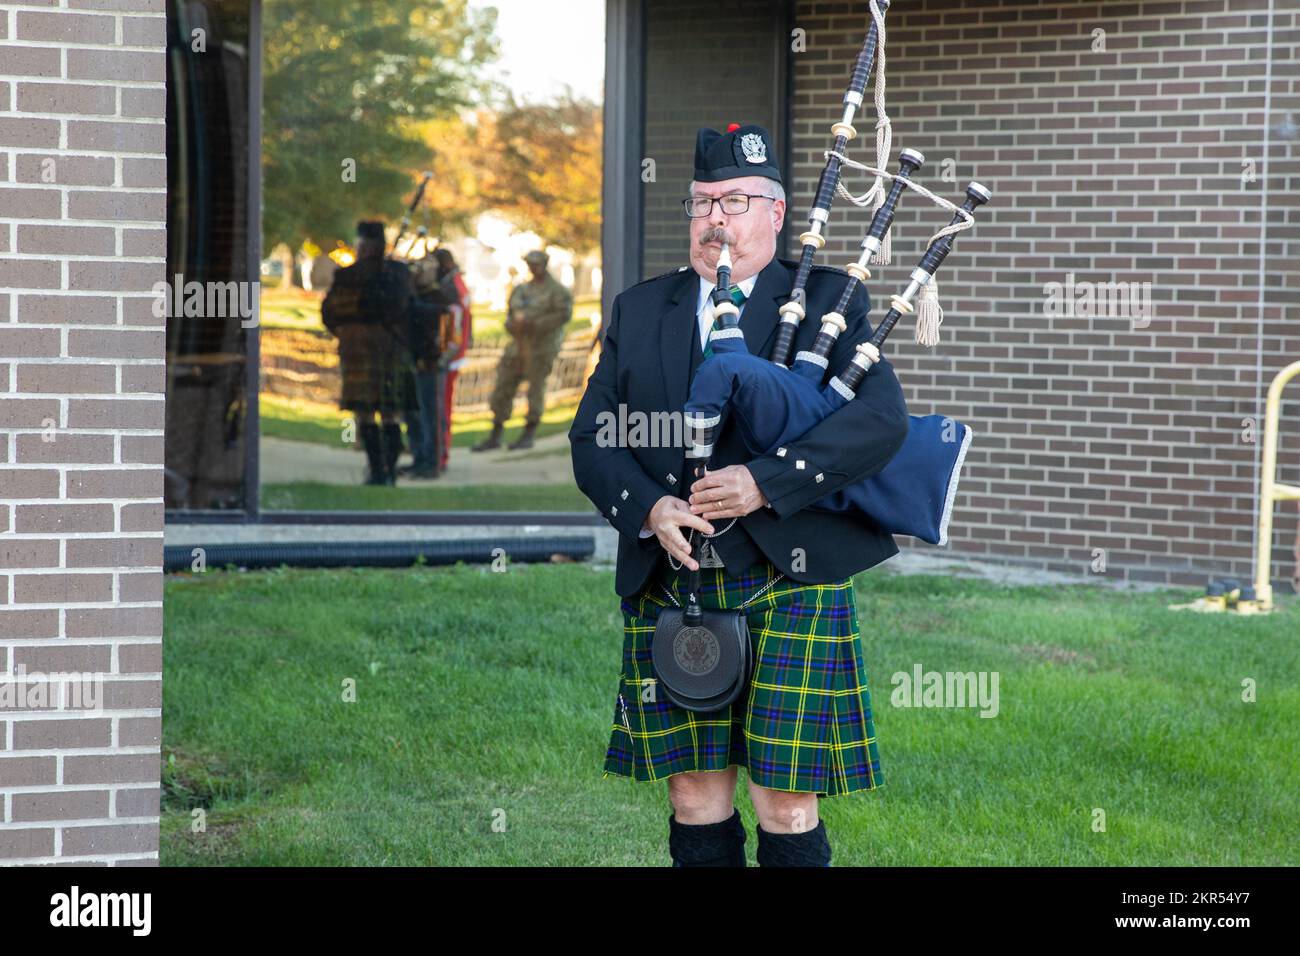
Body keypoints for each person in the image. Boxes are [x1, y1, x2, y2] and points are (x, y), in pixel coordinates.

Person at [568, 124, 910, 867]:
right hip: (676, 579)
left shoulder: (826, 299)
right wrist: (650, 509)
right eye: (701, 203)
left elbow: (880, 424)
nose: (715, 219)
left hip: (789, 575)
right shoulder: (642, 308)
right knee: (694, 795)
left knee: (784, 805)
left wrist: (764, 482)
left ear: (778, 215)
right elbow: (595, 438)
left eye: (736, 201)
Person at [321, 220, 420, 486]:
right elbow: (409, 309)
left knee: (366, 412)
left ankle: (377, 470)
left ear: (364, 245)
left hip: (359, 349)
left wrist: (347, 332)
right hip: (393, 349)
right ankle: (388, 470)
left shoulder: (348, 275)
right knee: (390, 411)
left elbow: (330, 313)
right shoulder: (400, 274)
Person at [473, 249, 573, 452]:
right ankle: (496, 432)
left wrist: (534, 324)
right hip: (517, 346)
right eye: (530, 264)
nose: (532, 268)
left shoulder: (557, 291)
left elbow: (563, 315)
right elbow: (510, 313)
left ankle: (529, 432)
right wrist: (512, 325)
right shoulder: (521, 289)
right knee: (503, 386)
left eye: (536, 264)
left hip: (541, 347)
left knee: (535, 389)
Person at [435, 247, 472, 472]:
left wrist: (444, 354)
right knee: (443, 406)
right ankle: (441, 453)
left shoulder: (450, 288)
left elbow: (452, 326)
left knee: (441, 407)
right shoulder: (458, 283)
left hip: (448, 358)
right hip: (455, 355)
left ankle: (440, 456)